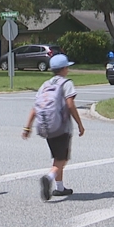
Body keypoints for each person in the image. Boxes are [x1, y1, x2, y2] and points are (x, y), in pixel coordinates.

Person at [22, 54, 85, 201]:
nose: (68, 69)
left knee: (57, 157)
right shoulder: (66, 83)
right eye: (67, 67)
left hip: (47, 127)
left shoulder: (45, 85)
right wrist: (80, 124)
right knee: (61, 159)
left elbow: (35, 108)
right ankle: (49, 177)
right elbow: (70, 105)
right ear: (64, 69)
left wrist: (27, 127)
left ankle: (60, 188)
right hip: (62, 128)